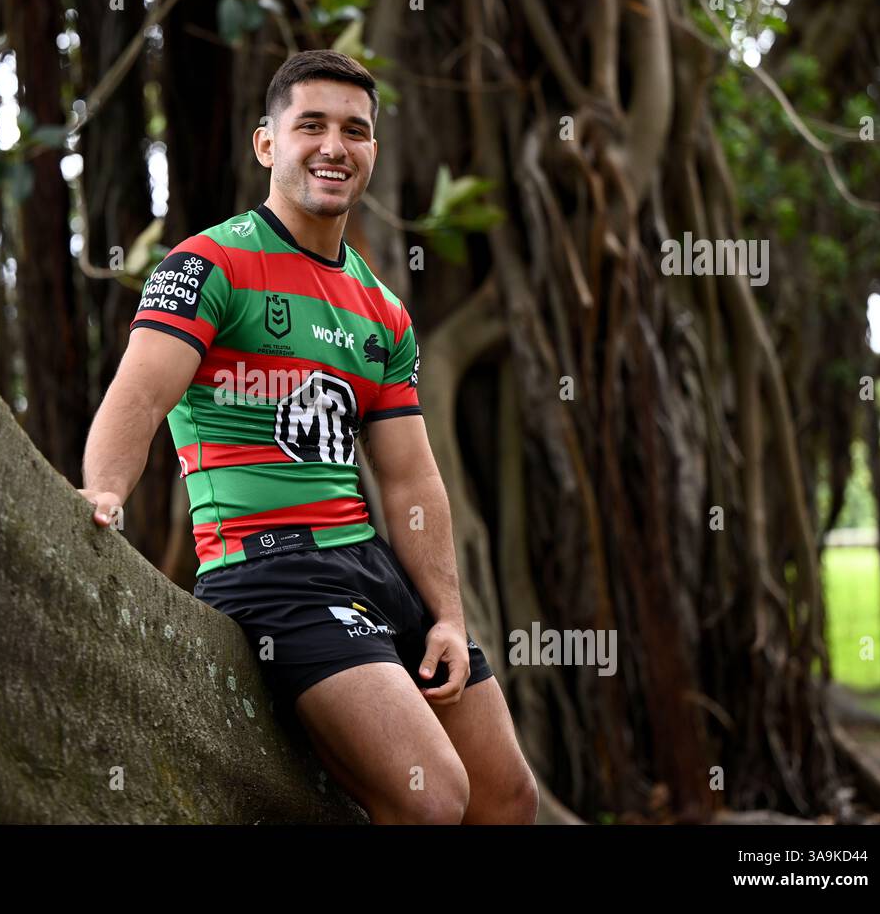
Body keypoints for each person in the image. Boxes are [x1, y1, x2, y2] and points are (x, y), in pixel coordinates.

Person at [78, 49, 537, 824]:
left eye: (354, 131)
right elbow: (142, 393)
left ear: (373, 153)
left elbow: (409, 481)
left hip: (370, 567)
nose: (334, 146)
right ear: (267, 143)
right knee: (433, 799)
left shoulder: (382, 307)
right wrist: (105, 492)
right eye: (311, 125)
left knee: (506, 798)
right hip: (270, 571)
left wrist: (449, 617)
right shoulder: (209, 263)